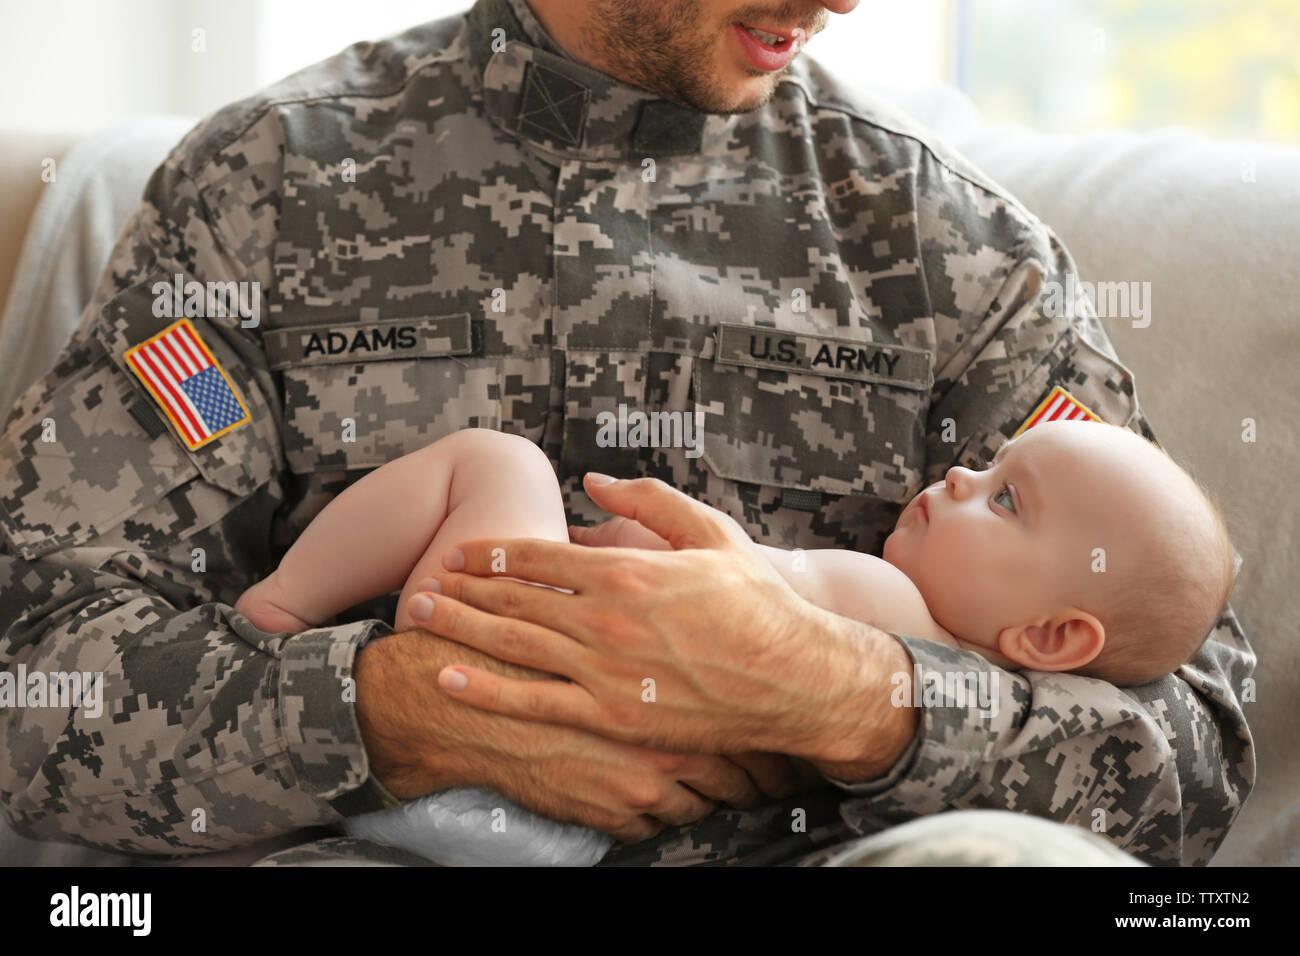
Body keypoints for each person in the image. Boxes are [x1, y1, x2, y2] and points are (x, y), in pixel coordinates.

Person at [0, 0, 1254, 867]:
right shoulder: (264, 193)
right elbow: (36, 667)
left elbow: (1188, 758)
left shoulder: (955, 256)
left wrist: (852, 695)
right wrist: (391, 709)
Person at [232, 416, 1235, 865]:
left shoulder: (879, 593)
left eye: (1003, 497)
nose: (958, 477)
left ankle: (277, 607)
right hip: (555, 841)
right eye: (984, 462)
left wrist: (625, 544)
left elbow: (712, 601)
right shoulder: (929, 663)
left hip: (487, 700)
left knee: (498, 464)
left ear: (1055, 631)